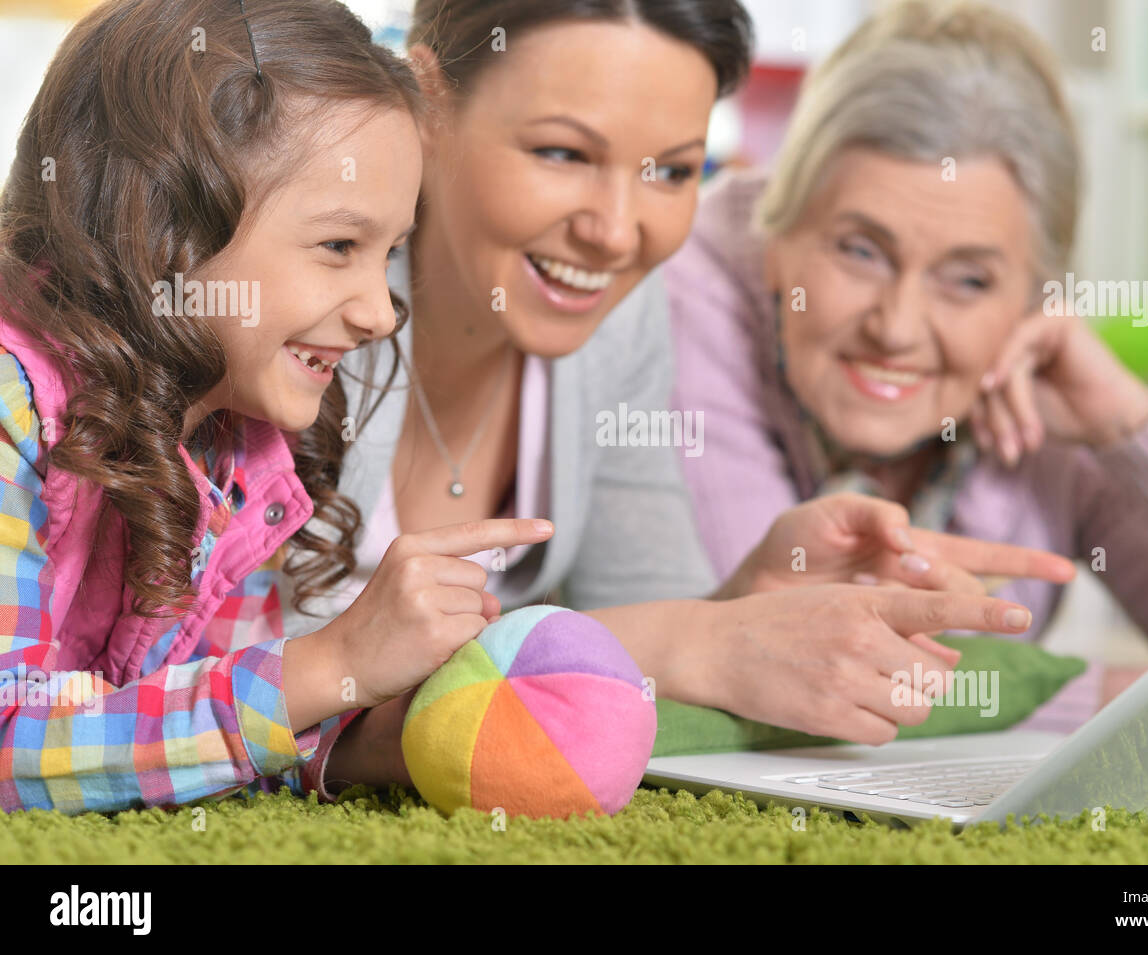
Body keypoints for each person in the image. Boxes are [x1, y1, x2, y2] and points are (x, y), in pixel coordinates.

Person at [278, 0, 1078, 793]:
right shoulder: (311, 281)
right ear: (430, 101)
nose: (619, 232)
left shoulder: (618, 321)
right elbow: (204, 690)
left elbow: (652, 640)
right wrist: (692, 639)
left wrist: (752, 600)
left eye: (670, 170)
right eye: (563, 152)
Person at [664, 0, 1148, 731]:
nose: (896, 328)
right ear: (776, 233)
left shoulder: (1042, 379)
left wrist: (1131, 426)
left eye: (967, 280)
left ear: (1033, 298)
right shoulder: (692, 291)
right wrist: (1101, 699)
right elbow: (782, 656)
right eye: (859, 250)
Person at [0, 0, 558, 814]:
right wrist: (325, 662)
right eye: (339, 246)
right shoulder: (15, 407)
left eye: (391, 253)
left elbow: (185, 713)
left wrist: (366, 728)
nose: (379, 310)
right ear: (166, 229)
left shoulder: (235, 435)